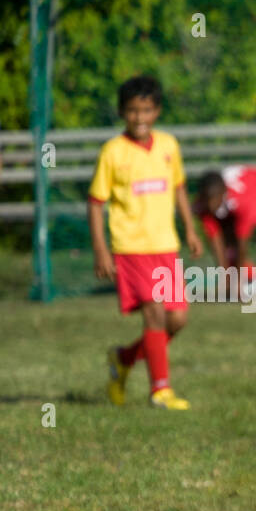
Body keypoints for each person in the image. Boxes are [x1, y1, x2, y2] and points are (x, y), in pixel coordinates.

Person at [90, 75, 202, 410]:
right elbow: (95, 202)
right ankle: (160, 391)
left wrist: (191, 230)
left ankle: (123, 358)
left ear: (158, 111)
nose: (140, 118)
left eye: (147, 110)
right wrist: (100, 249)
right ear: (122, 112)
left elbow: (179, 187)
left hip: (165, 246)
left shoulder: (169, 146)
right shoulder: (112, 152)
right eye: (133, 111)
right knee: (154, 312)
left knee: (176, 319)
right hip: (130, 249)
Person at [193, 164, 256, 294]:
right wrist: (224, 277)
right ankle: (248, 277)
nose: (209, 205)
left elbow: (242, 242)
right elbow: (214, 239)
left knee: (233, 241)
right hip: (235, 196)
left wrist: (237, 281)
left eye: (212, 200)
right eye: (206, 200)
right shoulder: (202, 205)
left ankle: (252, 277)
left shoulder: (243, 204)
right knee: (226, 244)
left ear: (222, 194)